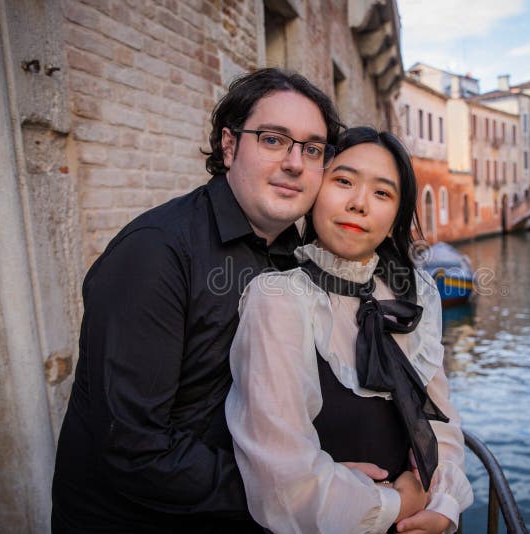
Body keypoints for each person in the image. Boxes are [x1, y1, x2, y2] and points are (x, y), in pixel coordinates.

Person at [51, 68, 346, 532]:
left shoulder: (297, 257)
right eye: (273, 140)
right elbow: (134, 449)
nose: (295, 163)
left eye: (312, 149)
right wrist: (299, 491)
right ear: (229, 146)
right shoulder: (154, 252)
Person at [226, 127, 474, 533]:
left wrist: (444, 504)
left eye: (382, 193)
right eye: (343, 181)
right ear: (316, 190)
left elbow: (440, 419)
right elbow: (282, 479)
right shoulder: (278, 299)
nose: (359, 203)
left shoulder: (416, 291)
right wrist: (396, 503)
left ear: (395, 217)